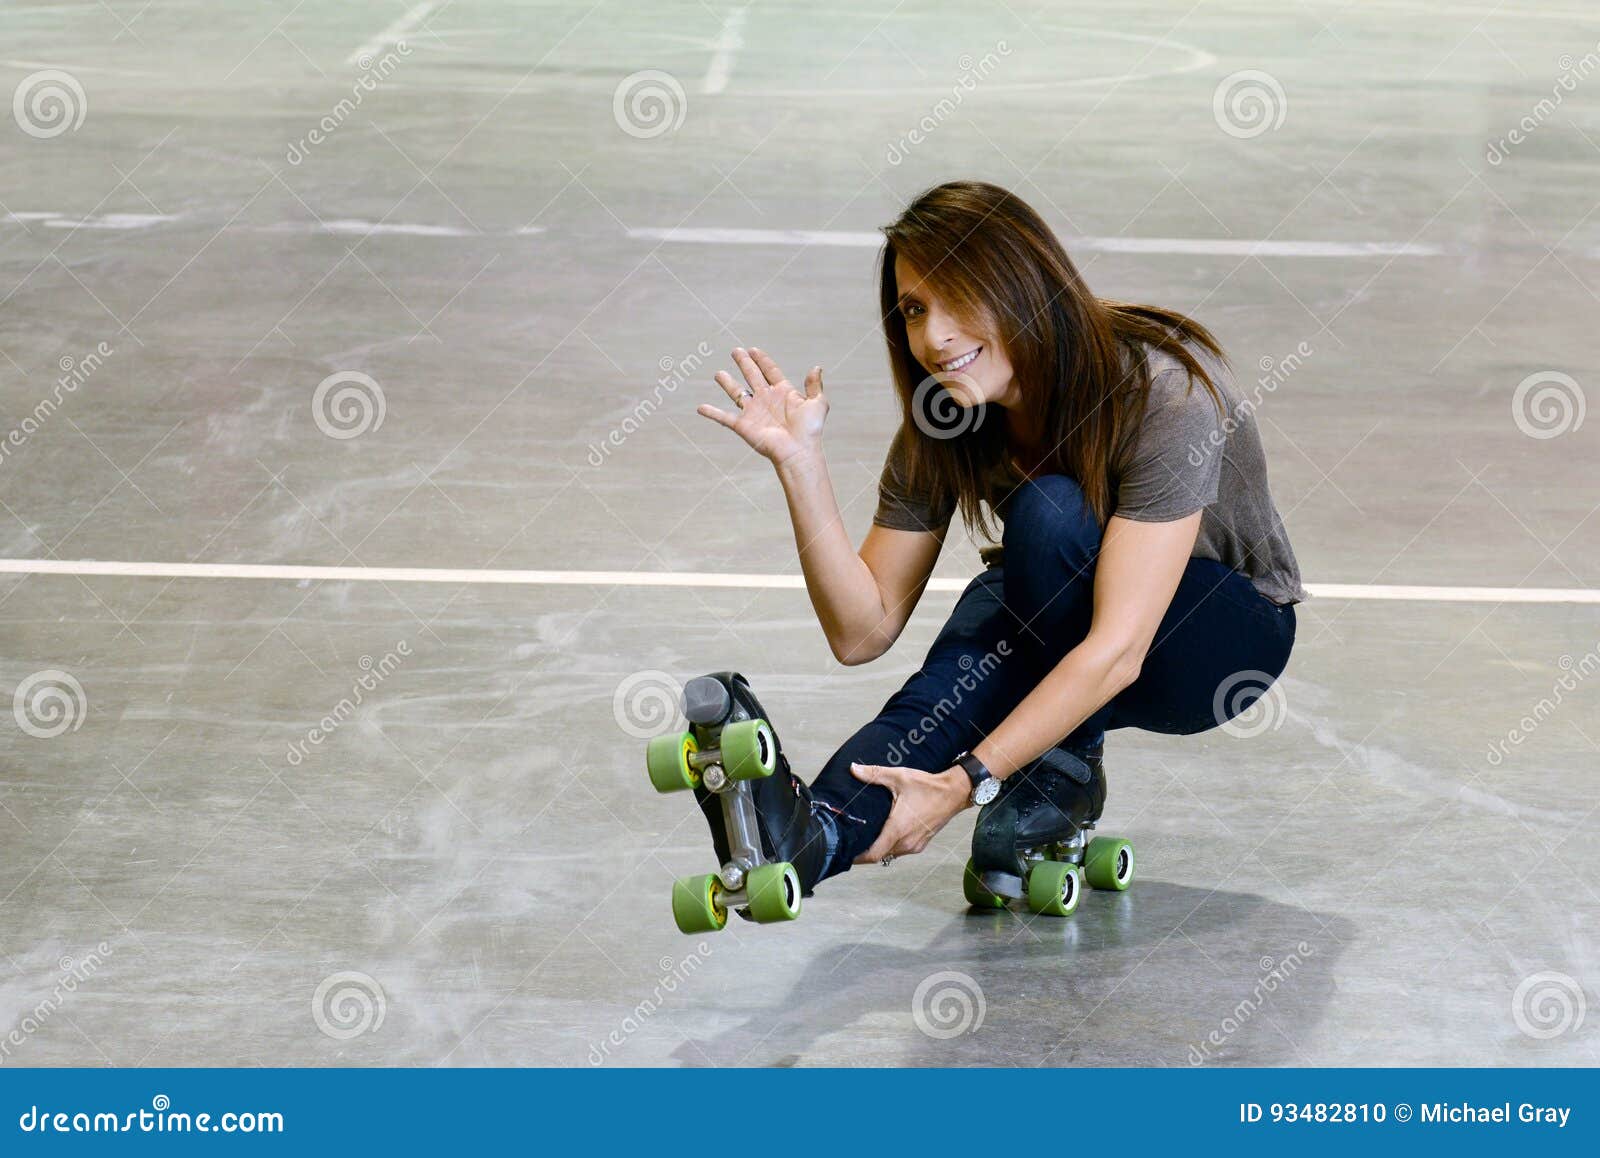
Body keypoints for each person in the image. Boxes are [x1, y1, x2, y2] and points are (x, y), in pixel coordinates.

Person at [692, 179, 1305, 895]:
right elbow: (862, 631)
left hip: (1216, 645)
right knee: (949, 688)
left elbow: (1118, 651)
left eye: (959, 299)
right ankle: (809, 835)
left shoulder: (1161, 391)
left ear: (1026, 284)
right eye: (916, 309)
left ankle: (1062, 767)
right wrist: (801, 468)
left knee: (1048, 518)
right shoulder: (946, 415)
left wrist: (970, 781)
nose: (933, 336)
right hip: (1065, 616)